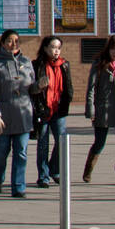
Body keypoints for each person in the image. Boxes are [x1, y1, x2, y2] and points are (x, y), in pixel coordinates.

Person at [0, 30, 36, 197]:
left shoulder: (26, 62)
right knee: (2, 150)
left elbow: (32, 89)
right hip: (4, 115)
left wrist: (40, 86)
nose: (13, 44)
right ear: (2, 43)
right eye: (9, 41)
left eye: (16, 41)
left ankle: (18, 187)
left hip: (24, 114)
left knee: (21, 151)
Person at [85, 35, 115, 185]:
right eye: (114, 49)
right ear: (109, 49)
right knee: (100, 142)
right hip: (103, 109)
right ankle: (88, 170)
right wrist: (90, 109)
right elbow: (91, 88)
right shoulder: (99, 64)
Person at [30, 36, 73, 187]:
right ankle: (43, 176)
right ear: (45, 48)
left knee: (62, 141)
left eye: (58, 48)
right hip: (43, 109)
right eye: (53, 47)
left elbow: (68, 86)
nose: (56, 51)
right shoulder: (37, 65)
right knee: (43, 144)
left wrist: (67, 100)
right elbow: (31, 89)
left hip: (58, 109)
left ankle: (54, 169)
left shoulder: (64, 65)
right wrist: (38, 86)